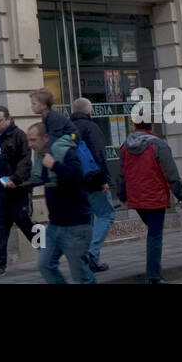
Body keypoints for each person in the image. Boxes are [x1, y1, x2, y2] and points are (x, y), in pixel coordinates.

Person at [117, 117, 182, 283]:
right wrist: (180, 194)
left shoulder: (125, 147)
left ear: (134, 125)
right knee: (155, 236)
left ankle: (154, 273)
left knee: (153, 232)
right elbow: (171, 172)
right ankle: (153, 276)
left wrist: (122, 195)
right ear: (151, 125)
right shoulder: (158, 145)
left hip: (136, 198)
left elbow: (121, 174)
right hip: (155, 197)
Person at [26, 120, 95, 283]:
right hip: (55, 225)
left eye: (33, 140)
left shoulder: (64, 152)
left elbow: (76, 176)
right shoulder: (42, 158)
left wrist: (55, 165)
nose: (30, 145)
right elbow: (41, 180)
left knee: (81, 276)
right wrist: (18, 184)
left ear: (45, 138)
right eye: (28, 140)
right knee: (45, 265)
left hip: (76, 225)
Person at [0, 105, 35, 278]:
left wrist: (15, 179)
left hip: (16, 192)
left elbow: (26, 162)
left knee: (26, 224)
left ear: (8, 118)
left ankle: (50, 249)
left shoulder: (19, 136)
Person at [70, 97, 116, 272]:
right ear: (89, 111)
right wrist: (103, 180)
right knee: (107, 214)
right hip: (92, 180)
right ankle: (91, 252)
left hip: (73, 183)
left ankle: (88, 261)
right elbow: (98, 155)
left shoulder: (66, 128)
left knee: (87, 220)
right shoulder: (91, 127)